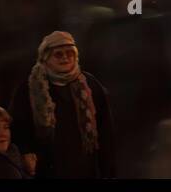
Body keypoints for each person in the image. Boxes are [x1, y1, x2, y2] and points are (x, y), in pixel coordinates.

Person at [9, 31, 116, 179]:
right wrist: (26, 153)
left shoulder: (90, 85)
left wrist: (108, 170)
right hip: (47, 169)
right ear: (45, 58)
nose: (65, 57)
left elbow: (105, 130)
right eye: (58, 54)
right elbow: (18, 128)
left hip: (85, 168)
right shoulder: (29, 88)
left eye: (70, 53)